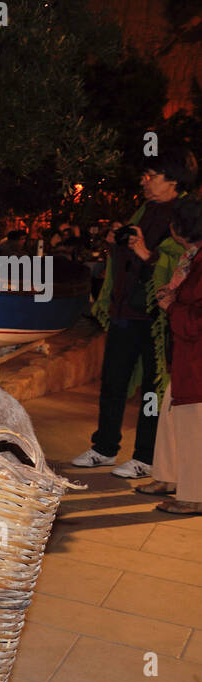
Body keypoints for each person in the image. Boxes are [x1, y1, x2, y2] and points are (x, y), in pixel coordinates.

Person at [73, 148, 197, 478]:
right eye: (144, 176)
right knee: (112, 382)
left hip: (158, 319)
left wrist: (147, 254)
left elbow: (184, 261)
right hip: (125, 309)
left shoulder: (186, 213)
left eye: (151, 176)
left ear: (173, 181)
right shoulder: (144, 210)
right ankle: (104, 448)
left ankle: (146, 455)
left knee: (152, 391)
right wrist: (118, 240)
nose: (144, 182)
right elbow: (129, 259)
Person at [137, 198, 202, 513]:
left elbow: (195, 321)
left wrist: (171, 306)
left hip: (196, 359)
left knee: (192, 425)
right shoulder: (193, 258)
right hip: (187, 357)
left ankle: (194, 495)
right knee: (170, 413)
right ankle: (168, 476)